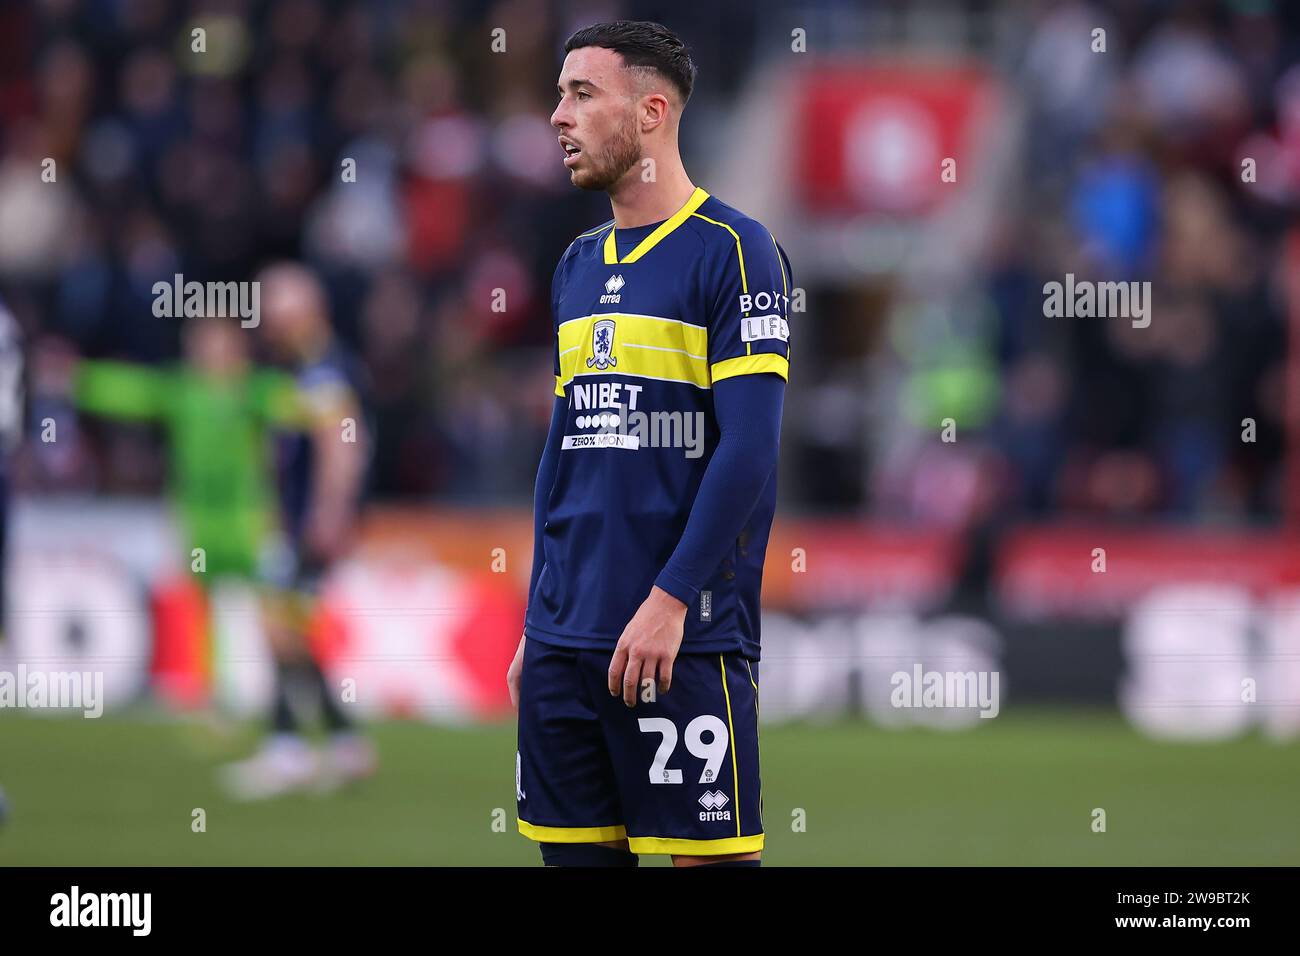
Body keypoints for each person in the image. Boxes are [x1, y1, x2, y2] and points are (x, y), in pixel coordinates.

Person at [509, 20, 792, 867]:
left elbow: (748, 451)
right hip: (565, 640)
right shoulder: (575, 264)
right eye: (560, 94)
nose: (557, 114)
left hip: (682, 637)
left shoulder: (736, 253)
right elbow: (564, 452)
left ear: (652, 112)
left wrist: (671, 601)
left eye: (582, 94)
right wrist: (536, 617)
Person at [220, 263, 376, 799]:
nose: (266, 320)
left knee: (279, 625)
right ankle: (343, 743)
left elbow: (344, 446)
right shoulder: (304, 367)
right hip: (298, 519)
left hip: (311, 523)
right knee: (286, 627)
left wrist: (330, 513)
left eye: (274, 308)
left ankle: (288, 747)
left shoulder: (321, 369)